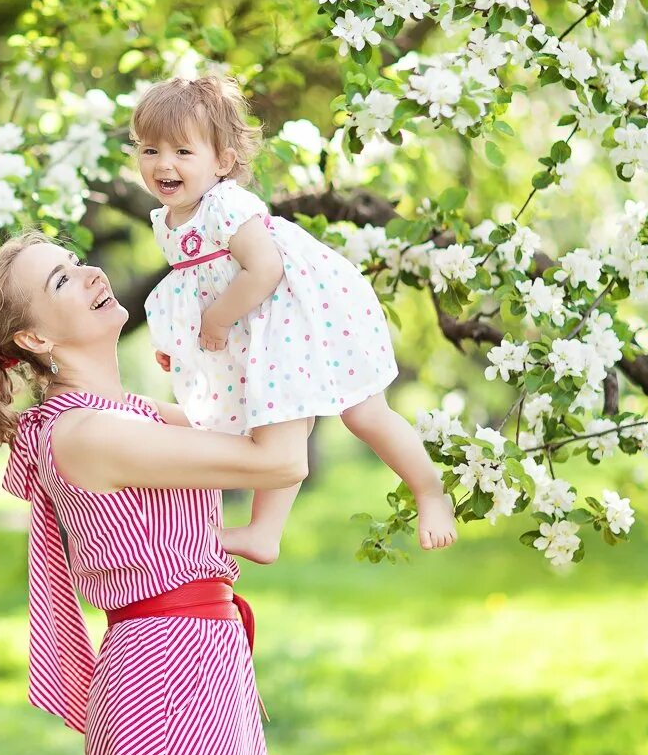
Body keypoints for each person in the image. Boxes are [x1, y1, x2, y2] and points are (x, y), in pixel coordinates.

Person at [0, 232, 306, 755]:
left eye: (74, 262)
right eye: (60, 280)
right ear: (35, 340)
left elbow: (259, 420)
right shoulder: (88, 434)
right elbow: (279, 461)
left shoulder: (134, 413)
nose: (88, 273)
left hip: (200, 659)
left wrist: (255, 314)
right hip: (166, 675)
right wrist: (299, 328)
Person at [131, 75, 458, 563]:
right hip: (258, 329)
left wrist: (215, 323)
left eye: (182, 151)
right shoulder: (170, 220)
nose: (163, 164)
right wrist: (179, 339)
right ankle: (265, 533)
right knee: (271, 422)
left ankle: (430, 492)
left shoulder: (224, 205)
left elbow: (265, 269)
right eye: (150, 150)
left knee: (363, 413)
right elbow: (192, 289)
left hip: (304, 313)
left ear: (221, 161)